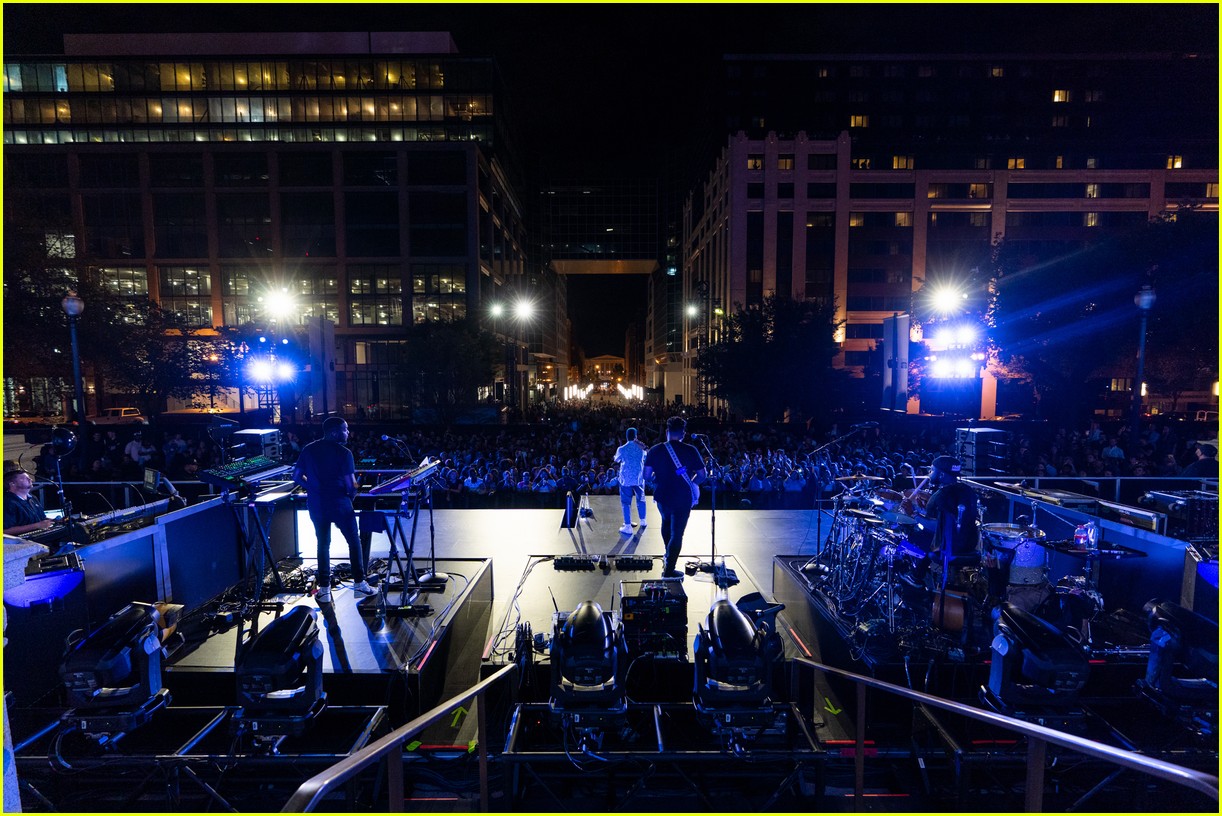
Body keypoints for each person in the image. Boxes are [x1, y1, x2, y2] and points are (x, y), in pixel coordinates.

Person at [292, 417, 375, 604]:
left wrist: (312, 488)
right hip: (340, 504)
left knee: (323, 544)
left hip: (317, 504)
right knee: (354, 542)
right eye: (345, 429)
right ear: (335, 432)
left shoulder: (308, 449)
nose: (348, 433)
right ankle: (360, 584)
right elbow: (351, 485)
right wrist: (352, 494)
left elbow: (296, 476)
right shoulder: (344, 453)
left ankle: (324, 590)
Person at [643, 416, 707, 578]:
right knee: (677, 533)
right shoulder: (690, 450)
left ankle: (667, 555)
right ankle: (669, 570)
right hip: (682, 496)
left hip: (662, 494)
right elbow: (702, 475)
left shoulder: (655, 450)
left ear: (667, 432)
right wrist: (691, 483)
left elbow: (646, 475)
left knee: (666, 523)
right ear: (683, 434)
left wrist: (658, 478)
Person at [614, 427, 648, 535]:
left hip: (626, 479)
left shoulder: (622, 448)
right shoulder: (641, 448)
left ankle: (628, 526)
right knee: (641, 499)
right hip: (639, 478)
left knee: (625, 502)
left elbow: (616, 460)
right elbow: (646, 456)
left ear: (626, 436)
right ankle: (643, 521)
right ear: (636, 436)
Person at [3, 465, 54, 536]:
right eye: (24, 478)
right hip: (22, 544)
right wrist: (37, 526)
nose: (30, 480)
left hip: (41, 537)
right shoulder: (7, 502)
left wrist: (55, 521)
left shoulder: (32, 498)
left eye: (29, 477)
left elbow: (41, 518)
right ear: (12, 484)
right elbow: (5, 531)